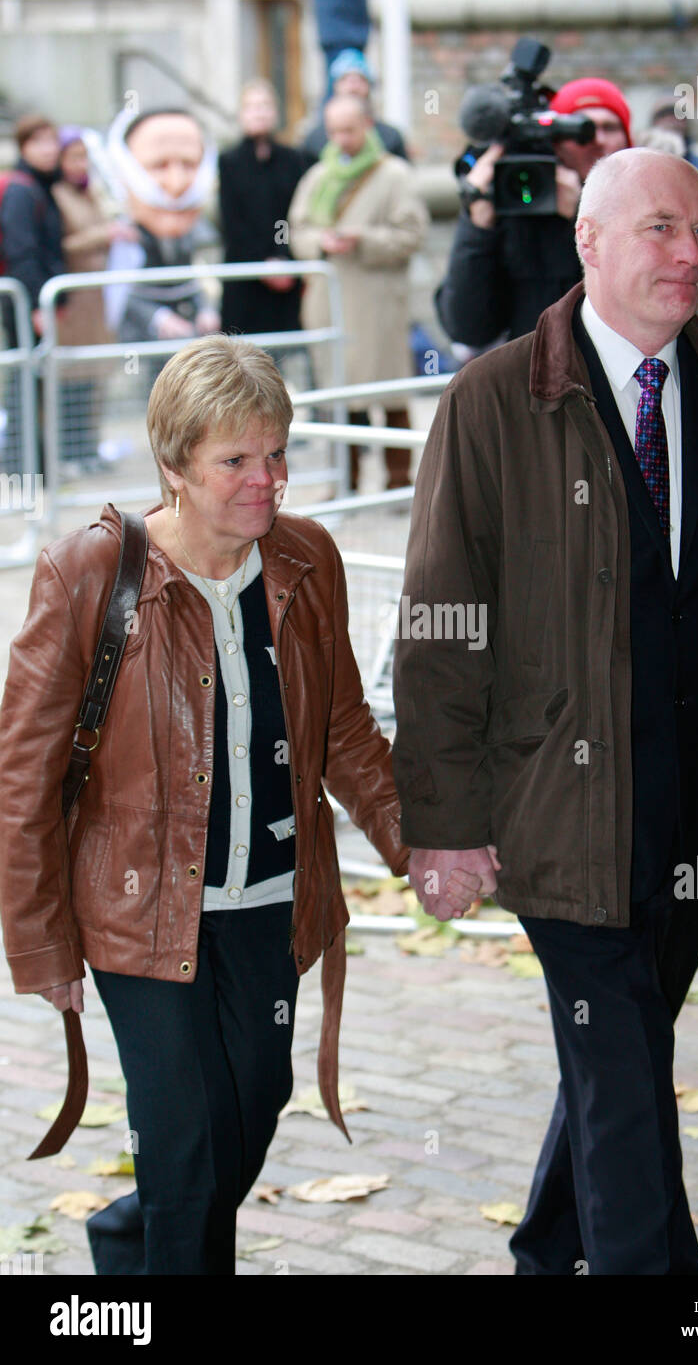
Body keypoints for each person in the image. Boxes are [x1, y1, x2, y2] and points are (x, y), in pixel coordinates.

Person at [392, 148, 698, 1274]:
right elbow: (440, 621)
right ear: (587, 243)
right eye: (657, 229)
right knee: (624, 1073)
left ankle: (547, 1249)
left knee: (620, 1056)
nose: (689, 253)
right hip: (557, 807)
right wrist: (440, 821)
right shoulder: (494, 398)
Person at [0, 334, 409, 1274]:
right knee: (184, 1147)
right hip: (137, 914)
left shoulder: (305, 561)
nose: (266, 480)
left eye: (276, 454)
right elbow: (23, 779)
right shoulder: (91, 575)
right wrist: (40, 943)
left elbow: (342, 726)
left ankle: (124, 1241)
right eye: (235, 460)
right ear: (175, 465)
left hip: (267, 901)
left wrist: (414, 843)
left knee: (250, 1108)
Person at [289, 94, 428, 491]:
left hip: (377, 301)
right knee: (338, 393)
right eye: (333, 131)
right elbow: (296, 231)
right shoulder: (318, 177)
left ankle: (399, 480)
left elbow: (411, 234)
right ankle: (343, 481)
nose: (341, 139)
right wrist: (321, 242)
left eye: (348, 129)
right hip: (330, 303)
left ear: (366, 125)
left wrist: (362, 239)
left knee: (390, 390)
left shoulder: (395, 175)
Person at [434, 76, 631, 349]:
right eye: (582, 130)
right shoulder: (514, 207)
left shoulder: (650, 206)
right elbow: (468, 328)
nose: (596, 140)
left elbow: (634, 308)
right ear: (556, 141)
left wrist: (579, 219)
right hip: (530, 381)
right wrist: (477, 226)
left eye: (609, 127)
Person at [52, 126, 140, 472]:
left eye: (83, 156)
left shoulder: (90, 194)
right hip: (73, 304)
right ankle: (70, 454)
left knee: (94, 380)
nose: (81, 164)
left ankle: (89, 448)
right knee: (73, 380)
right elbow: (64, 244)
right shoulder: (58, 195)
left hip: (99, 302)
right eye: (73, 157)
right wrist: (102, 235)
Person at [103, 107, 220, 346]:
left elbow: (195, 279)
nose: (176, 184)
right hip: (140, 346)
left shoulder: (196, 229)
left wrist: (206, 308)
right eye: (158, 165)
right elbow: (120, 293)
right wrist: (158, 318)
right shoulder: (122, 236)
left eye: (189, 164)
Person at [218, 79, 308, 340]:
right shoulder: (229, 162)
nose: (259, 112)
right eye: (252, 106)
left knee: (285, 353)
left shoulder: (292, 159)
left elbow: (294, 215)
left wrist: (283, 258)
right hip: (246, 276)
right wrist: (262, 264)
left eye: (265, 105)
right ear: (241, 114)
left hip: (285, 276)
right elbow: (232, 222)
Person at [0, 114, 65, 473]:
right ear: (24, 147)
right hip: (26, 302)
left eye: (51, 140)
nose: (48, 149)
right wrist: (38, 304)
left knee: (33, 378)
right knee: (25, 378)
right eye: (38, 142)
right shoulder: (24, 190)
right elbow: (22, 252)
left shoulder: (39, 186)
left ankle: (28, 461)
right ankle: (20, 463)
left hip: (33, 300)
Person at [300, 49, 408, 168]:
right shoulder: (314, 141)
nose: (353, 86)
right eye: (345, 79)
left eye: (360, 79)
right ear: (334, 86)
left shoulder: (390, 138)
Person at [648, 98, 698, 212]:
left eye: (678, 116)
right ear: (653, 123)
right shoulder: (640, 171)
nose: (671, 121)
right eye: (664, 115)